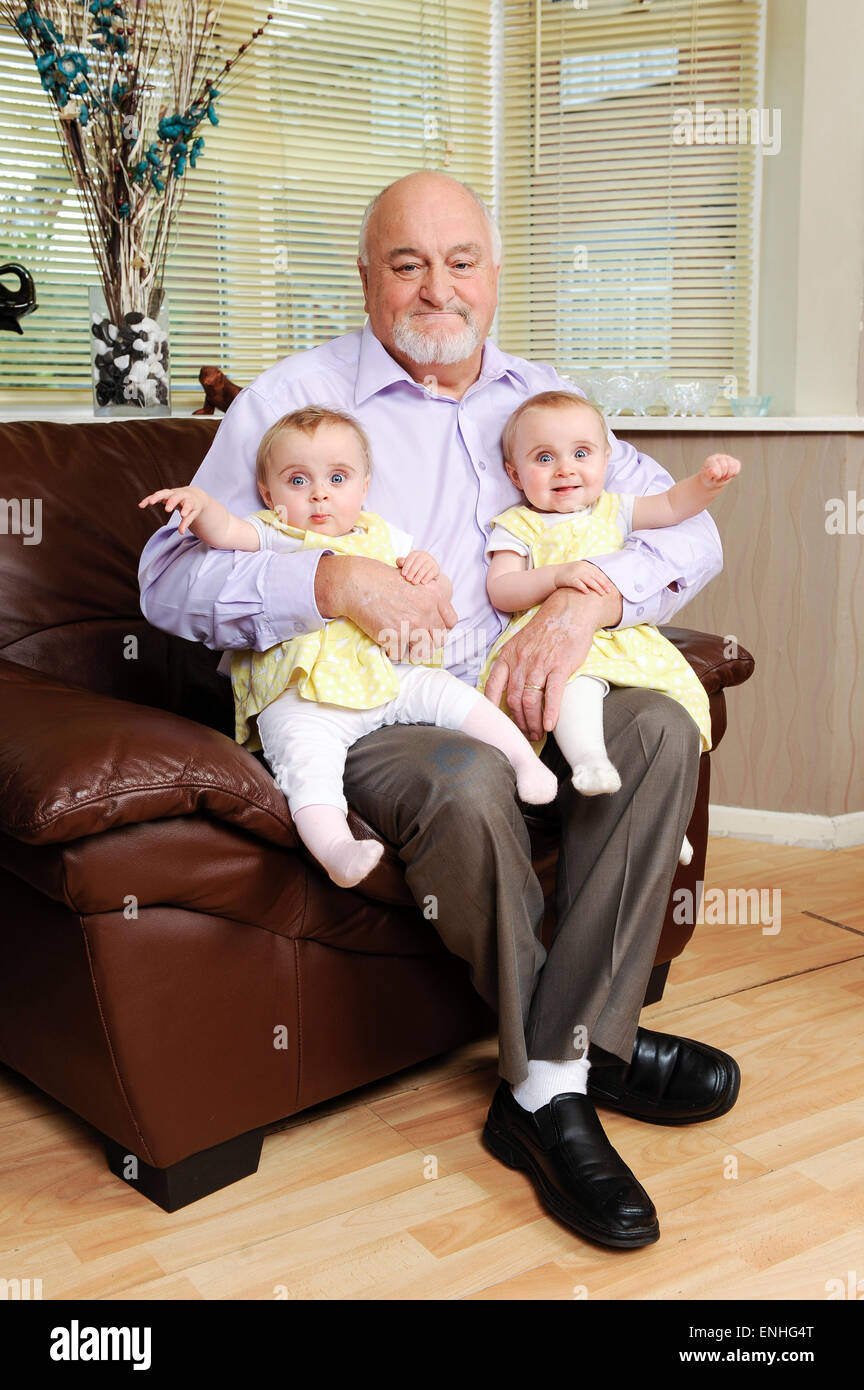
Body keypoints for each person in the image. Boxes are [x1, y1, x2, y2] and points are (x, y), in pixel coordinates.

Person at [139, 169, 741, 1251]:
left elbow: (683, 531)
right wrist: (323, 584)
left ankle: (564, 1061)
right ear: (367, 279)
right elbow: (165, 583)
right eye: (407, 264)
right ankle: (561, 1083)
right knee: (464, 785)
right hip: (373, 703)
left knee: (657, 725)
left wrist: (590, 599)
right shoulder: (291, 399)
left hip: (518, 673)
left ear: (494, 274)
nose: (436, 288)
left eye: (460, 261)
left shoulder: (544, 398)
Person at [138, 405, 558, 889]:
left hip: (386, 677)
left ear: (363, 486)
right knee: (306, 767)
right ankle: (336, 848)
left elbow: (433, 589)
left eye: (337, 478)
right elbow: (224, 532)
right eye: (298, 481)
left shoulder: (380, 533)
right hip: (301, 696)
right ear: (268, 494)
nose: (319, 493)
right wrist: (201, 504)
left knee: (449, 694)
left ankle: (524, 762)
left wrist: (428, 572)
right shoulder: (275, 533)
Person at [479, 389, 740, 803]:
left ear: (605, 460)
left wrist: (707, 484)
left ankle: (670, 824)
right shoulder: (518, 524)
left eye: (581, 454)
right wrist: (557, 576)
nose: (565, 469)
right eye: (544, 459)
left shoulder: (614, 508)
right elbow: (502, 589)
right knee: (574, 684)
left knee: (676, 700)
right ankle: (589, 761)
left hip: (620, 636)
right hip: (550, 634)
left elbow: (673, 505)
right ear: (515, 475)